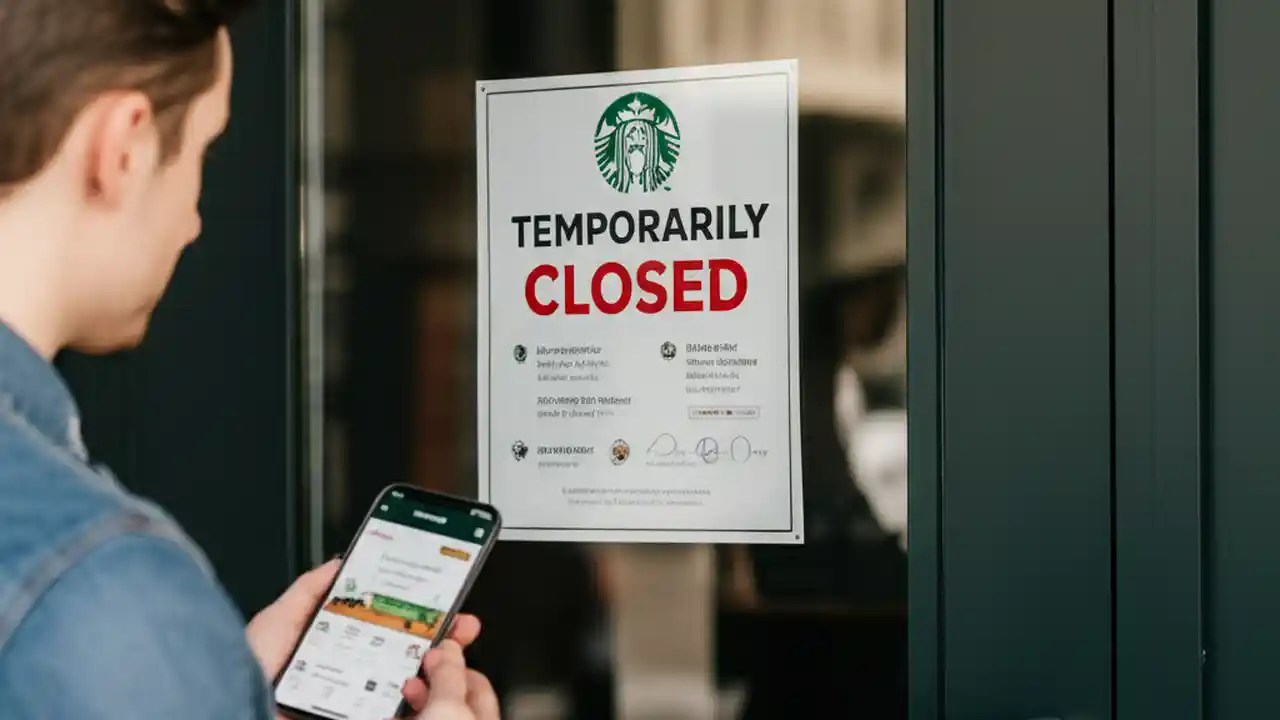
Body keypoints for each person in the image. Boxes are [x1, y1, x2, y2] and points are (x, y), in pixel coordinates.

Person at [0, 1, 497, 718]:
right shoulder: (100, 583)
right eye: (203, 150)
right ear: (125, 148)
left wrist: (211, 685)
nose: (194, 219)